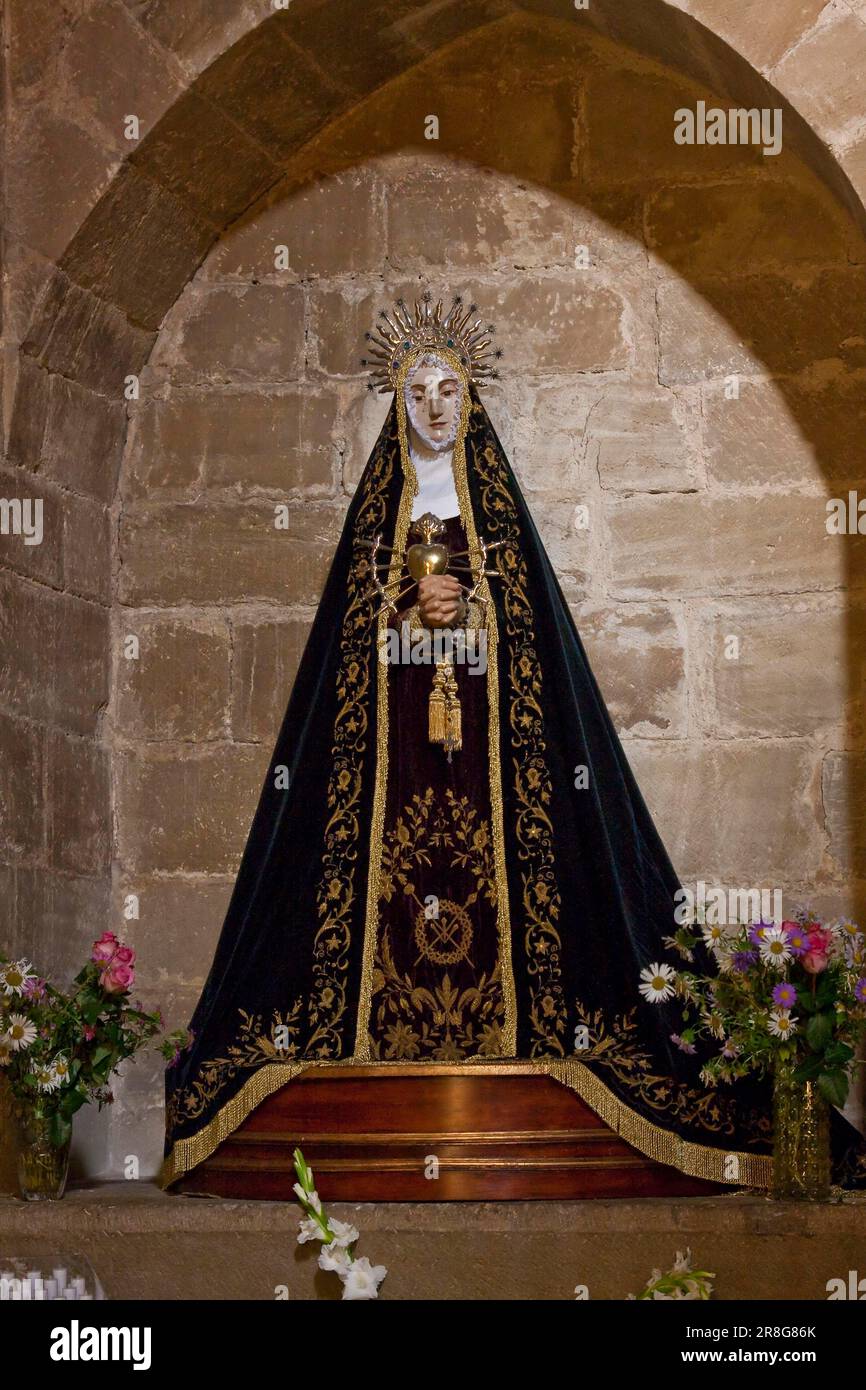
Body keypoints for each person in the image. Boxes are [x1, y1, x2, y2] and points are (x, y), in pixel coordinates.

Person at [162, 293, 865, 1191]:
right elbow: (337, 671)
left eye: (450, 386)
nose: (434, 404)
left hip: (492, 758)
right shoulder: (377, 522)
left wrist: (477, 607)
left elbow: (538, 648)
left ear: (472, 398)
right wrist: (401, 610)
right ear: (396, 400)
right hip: (397, 758)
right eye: (417, 388)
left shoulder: (496, 519)